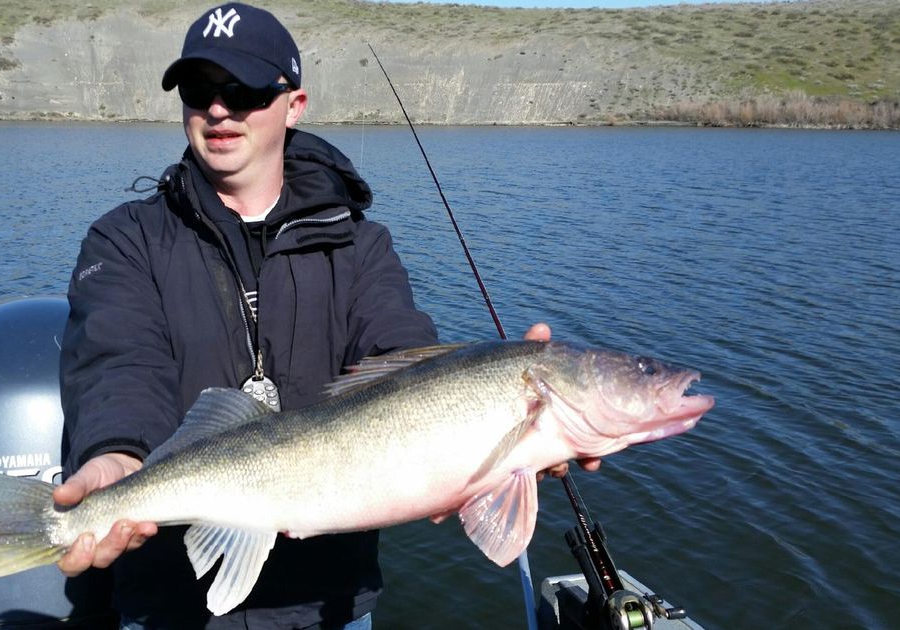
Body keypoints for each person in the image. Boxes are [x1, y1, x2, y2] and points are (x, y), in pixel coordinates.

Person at [55, 3, 595, 627]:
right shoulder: (125, 240)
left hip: (330, 603)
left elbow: (397, 356)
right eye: (201, 90)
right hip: (169, 602)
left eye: (246, 89)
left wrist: (499, 423)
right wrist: (116, 454)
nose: (220, 109)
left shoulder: (361, 246)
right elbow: (120, 362)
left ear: (294, 104)